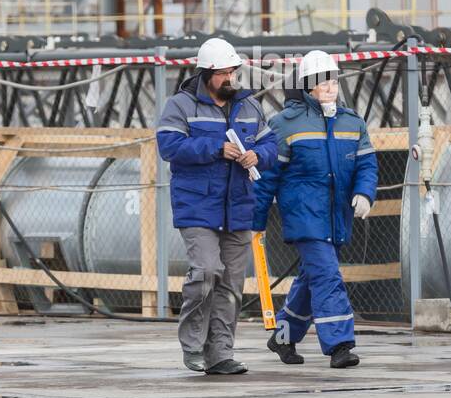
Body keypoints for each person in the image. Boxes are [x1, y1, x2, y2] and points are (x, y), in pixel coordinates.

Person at [157, 37, 277, 375]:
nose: (231, 79)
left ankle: (220, 354)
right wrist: (215, 148)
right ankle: (193, 347)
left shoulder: (249, 106)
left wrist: (259, 155)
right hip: (197, 207)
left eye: (233, 72)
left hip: (238, 208)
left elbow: (270, 143)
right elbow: (169, 146)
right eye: (224, 73)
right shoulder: (180, 106)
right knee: (207, 272)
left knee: (231, 285)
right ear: (207, 73)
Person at [252, 50, 377, 369]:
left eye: (334, 81)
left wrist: (364, 193)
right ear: (308, 86)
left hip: (337, 216)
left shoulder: (352, 122)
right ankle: (340, 345)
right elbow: (268, 176)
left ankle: (282, 337)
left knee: (311, 280)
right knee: (327, 275)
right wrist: (256, 219)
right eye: (323, 82)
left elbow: (367, 164)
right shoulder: (284, 125)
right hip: (305, 216)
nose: (330, 87)